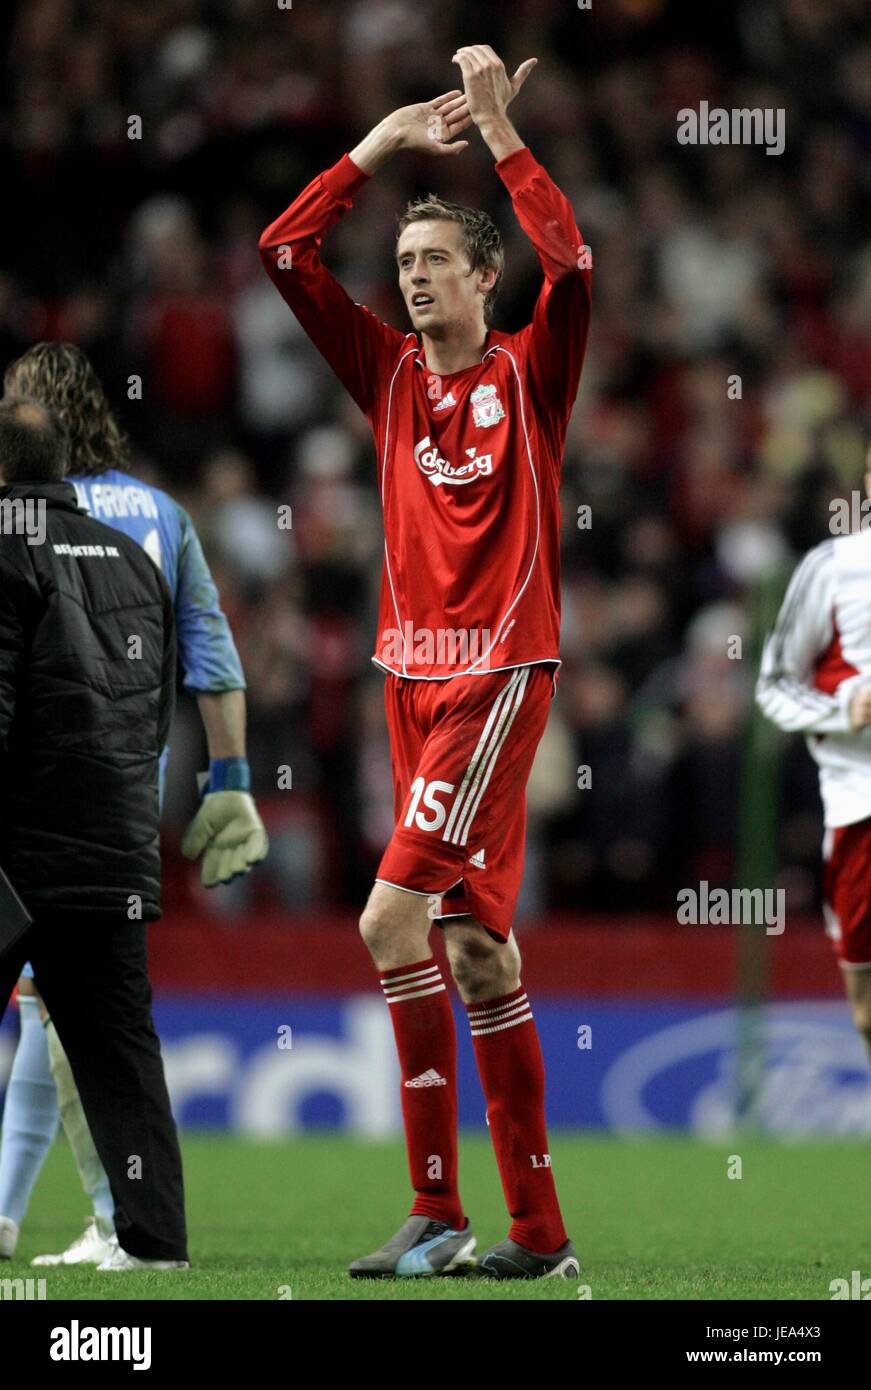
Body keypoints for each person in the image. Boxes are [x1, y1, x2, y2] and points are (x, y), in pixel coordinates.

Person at [259, 44, 591, 1279]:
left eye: (432, 261)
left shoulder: (530, 371)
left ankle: (436, 1206)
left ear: (483, 277)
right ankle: (541, 1236)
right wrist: (377, 149)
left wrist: (499, 133)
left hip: (499, 675)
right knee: (478, 953)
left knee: (387, 921)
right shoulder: (386, 377)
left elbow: (575, 261)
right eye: (400, 265)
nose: (408, 281)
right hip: (409, 682)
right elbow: (283, 255)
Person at [0, 343, 268, 1267]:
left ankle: (76, 1215)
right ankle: (138, 1230)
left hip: (24, 821)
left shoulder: (7, 532)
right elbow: (207, 658)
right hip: (120, 812)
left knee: (59, 1019)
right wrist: (230, 780)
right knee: (104, 1033)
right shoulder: (155, 521)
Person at [0, 397, 187, 1268]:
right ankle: (154, 1243)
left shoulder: (2, 546)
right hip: (112, 842)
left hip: (16, 848)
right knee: (120, 1052)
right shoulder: (131, 559)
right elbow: (153, 717)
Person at [756, 450, 871, 1064]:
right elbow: (774, 683)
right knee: (865, 1009)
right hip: (860, 808)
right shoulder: (834, 569)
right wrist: (843, 708)